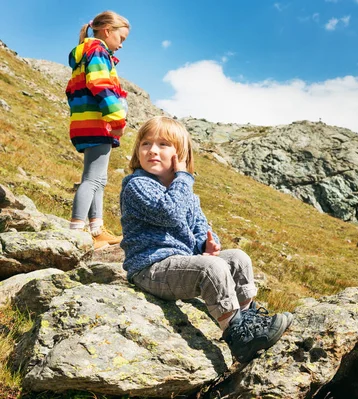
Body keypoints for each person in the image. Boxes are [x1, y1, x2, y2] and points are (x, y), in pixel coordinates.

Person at [120, 116, 293, 362]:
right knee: (213, 268)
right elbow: (170, 213)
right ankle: (238, 336)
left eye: (163, 144)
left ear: (180, 154)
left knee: (237, 258)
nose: (152, 150)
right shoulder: (137, 185)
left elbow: (201, 228)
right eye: (146, 143)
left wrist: (208, 244)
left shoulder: (186, 194)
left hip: (178, 264)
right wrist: (183, 178)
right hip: (150, 269)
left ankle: (250, 320)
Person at [65, 10, 130, 249]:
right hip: (97, 123)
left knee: (97, 179)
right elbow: (101, 86)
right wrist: (117, 121)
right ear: (107, 31)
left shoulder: (85, 53)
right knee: (93, 179)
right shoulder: (98, 52)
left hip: (84, 123)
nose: (121, 45)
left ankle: (96, 230)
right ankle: (76, 231)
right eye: (121, 39)